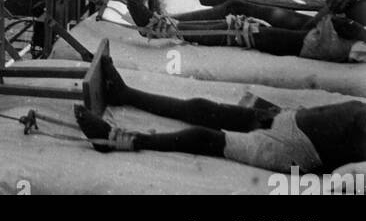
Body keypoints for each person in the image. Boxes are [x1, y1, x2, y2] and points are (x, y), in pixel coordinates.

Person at [75, 42, 366, 173]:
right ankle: (125, 94)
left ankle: (117, 141)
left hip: (294, 148)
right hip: (290, 120)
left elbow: (347, 175)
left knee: (204, 137)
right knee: (203, 107)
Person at [126, 0, 366, 62]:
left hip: (347, 45)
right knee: (236, 7)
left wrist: (359, 33)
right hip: (336, 24)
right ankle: (162, 21)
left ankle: (160, 28)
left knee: (242, 28)